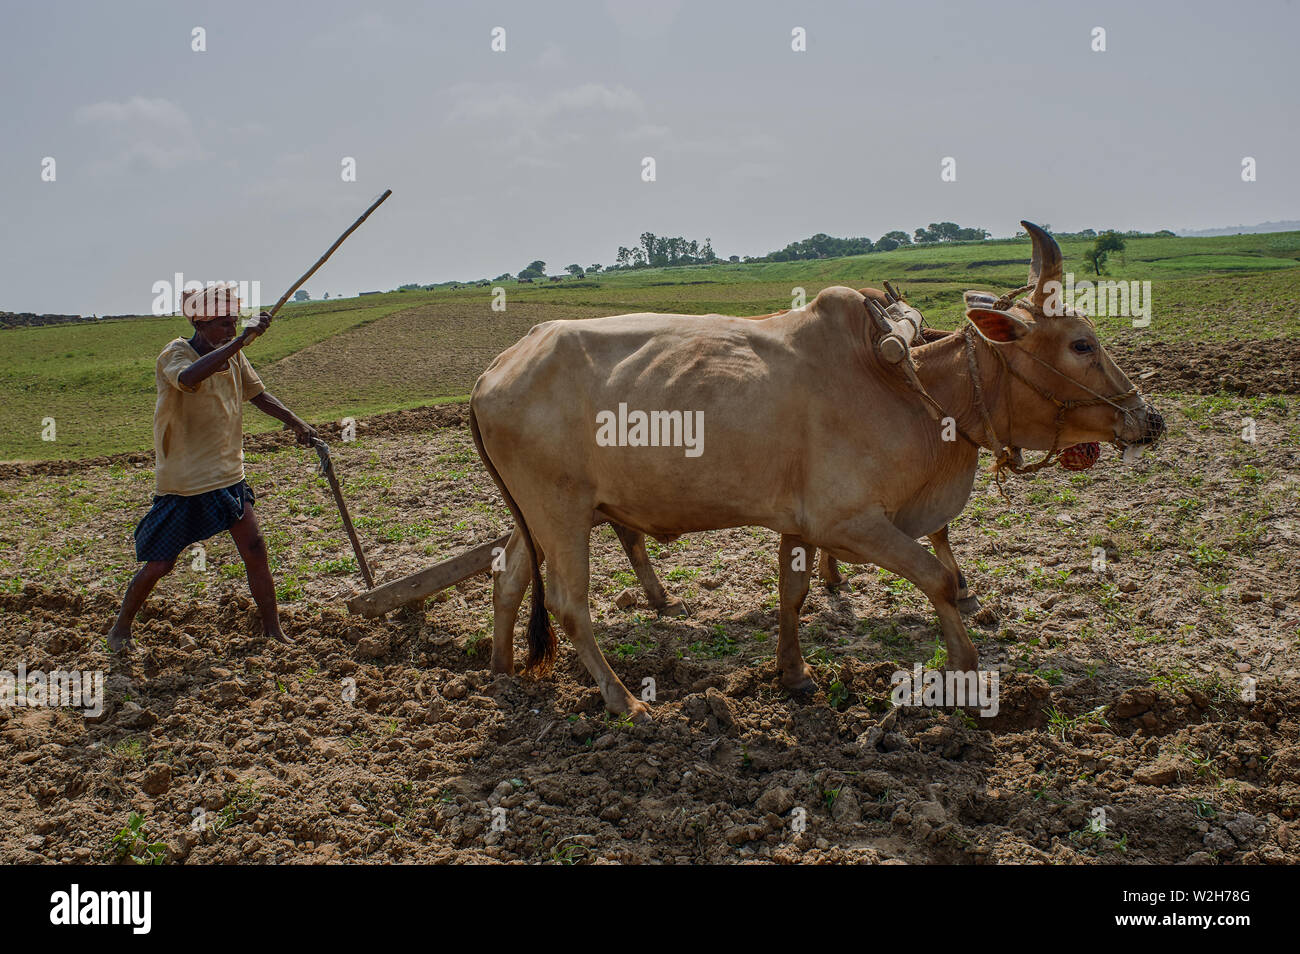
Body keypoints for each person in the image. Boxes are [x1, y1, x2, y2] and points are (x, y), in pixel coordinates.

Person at [107, 283, 317, 652]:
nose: (231, 330)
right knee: (160, 564)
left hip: (228, 475)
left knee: (255, 549)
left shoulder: (231, 354)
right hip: (186, 482)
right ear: (199, 323)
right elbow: (189, 378)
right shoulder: (175, 354)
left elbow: (257, 394)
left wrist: (296, 422)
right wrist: (243, 341)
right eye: (223, 323)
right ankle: (121, 627)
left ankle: (272, 630)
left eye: (234, 322)